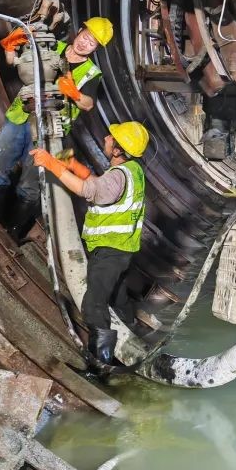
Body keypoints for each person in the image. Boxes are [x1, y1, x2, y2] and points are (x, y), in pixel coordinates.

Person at [30, 121, 149, 373]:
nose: (106, 137)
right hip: (122, 251)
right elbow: (99, 185)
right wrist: (73, 165)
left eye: (111, 137)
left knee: (93, 307)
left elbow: (89, 190)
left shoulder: (118, 176)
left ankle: (102, 368)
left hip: (109, 252)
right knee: (118, 298)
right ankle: (131, 346)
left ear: (117, 150)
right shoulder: (131, 170)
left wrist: (52, 164)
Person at [0, 17, 114, 240]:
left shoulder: (91, 73)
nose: (85, 43)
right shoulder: (53, 46)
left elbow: (89, 104)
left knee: (30, 183)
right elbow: (15, 62)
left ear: (96, 48)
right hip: (21, 116)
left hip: (49, 130)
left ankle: (11, 231)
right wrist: (10, 47)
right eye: (85, 36)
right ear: (79, 31)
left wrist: (74, 93)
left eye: (92, 43)